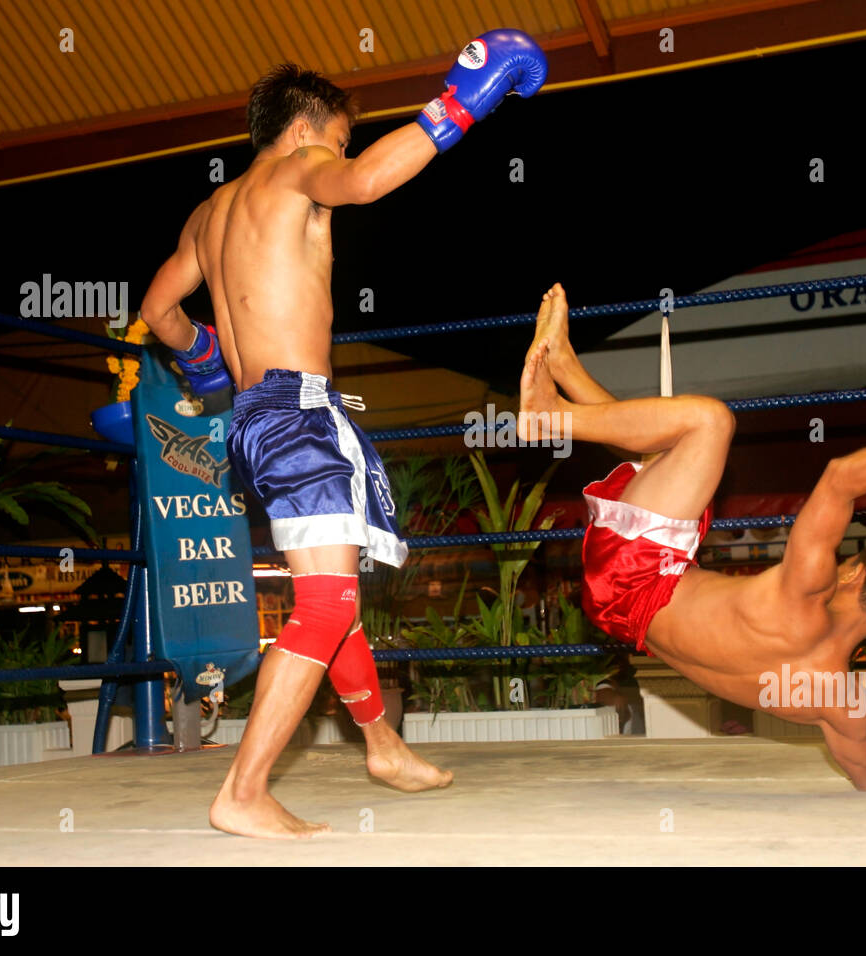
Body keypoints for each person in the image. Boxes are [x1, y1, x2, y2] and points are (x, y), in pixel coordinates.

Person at [139, 32, 548, 838]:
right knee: (324, 604)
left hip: (257, 421)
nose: (340, 150)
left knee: (334, 592)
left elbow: (158, 313)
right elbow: (363, 181)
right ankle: (244, 792)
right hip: (298, 412)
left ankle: (382, 744)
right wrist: (462, 102)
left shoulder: (208, 213)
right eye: (338, 133)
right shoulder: (298, 169)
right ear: (304, 129)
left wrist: (207, 363)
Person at [517, 284, 866, 790]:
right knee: (665, 462)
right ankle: (566, 370)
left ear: (851, 571)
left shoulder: (803, 594)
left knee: (709, 424)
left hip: (638, 572)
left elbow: (839, 480)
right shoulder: (843, 703)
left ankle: (550, 417)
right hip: (630, 616)